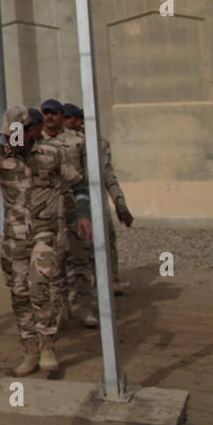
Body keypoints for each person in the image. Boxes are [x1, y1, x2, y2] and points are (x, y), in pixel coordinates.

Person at [0, 106, 84, 375]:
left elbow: (77, 183)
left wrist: (79, 218)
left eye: (16, 134)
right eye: (7, 136)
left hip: (45, 232)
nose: (11, 141)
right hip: (14, 237)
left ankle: (48, 345)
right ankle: (29, 349)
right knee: (18, 293)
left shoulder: (52, 154)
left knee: (38, 285)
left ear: (32, 130)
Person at [64, 104, 132, 294]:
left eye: (68, 118)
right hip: (71, 199)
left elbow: (108, 176)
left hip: (95, 198)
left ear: (78, 120)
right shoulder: (58, 144)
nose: (64, 121)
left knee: (106, 238)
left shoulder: (98, 144)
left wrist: (120, 205)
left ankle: (110, 279)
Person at [41, 99, 98, 326]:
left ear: (62, 115)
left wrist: (88, 210)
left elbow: (88, 177)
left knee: (80, 259)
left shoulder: (78, 141)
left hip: (74, 208)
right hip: (50, 211)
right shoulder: (37, 143)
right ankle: (61, 307)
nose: (49, 117)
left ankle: (85, 307)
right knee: (55, 263)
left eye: (53, 113)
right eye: (45, 113)